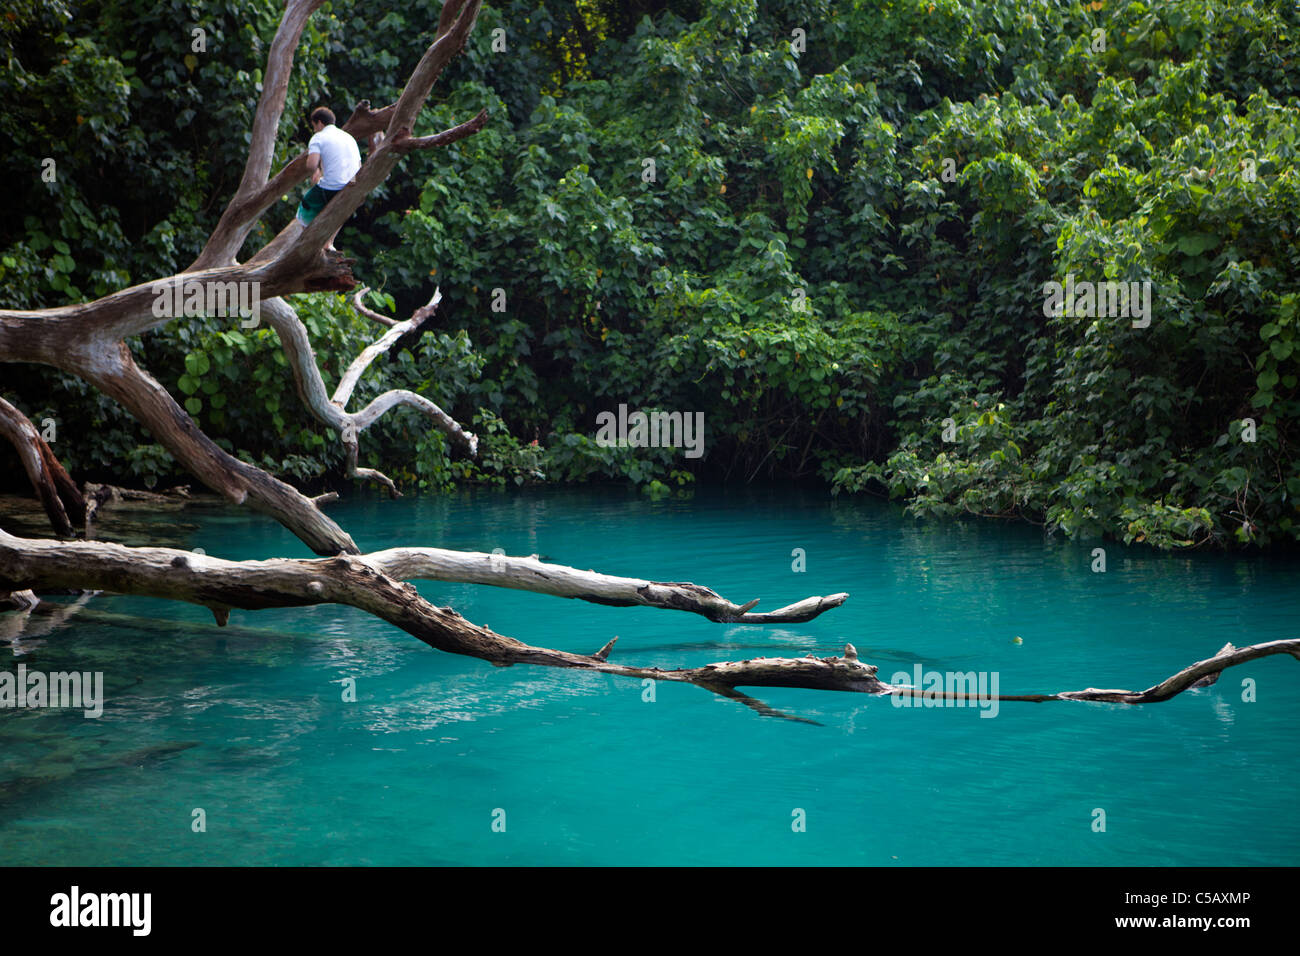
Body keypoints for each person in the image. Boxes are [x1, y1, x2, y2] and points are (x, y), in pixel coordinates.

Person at [296, 107, 362, 252]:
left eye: (314, 126)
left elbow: (311, 164)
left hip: (332, 186)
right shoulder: (348, 137)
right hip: (352, 185)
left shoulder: (319, 137)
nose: (314, 130)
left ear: (319, 123)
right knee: (338, 212)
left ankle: (306, 243)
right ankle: (329, 243)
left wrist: (315, 172)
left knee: (305, 207)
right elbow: (359, 165)